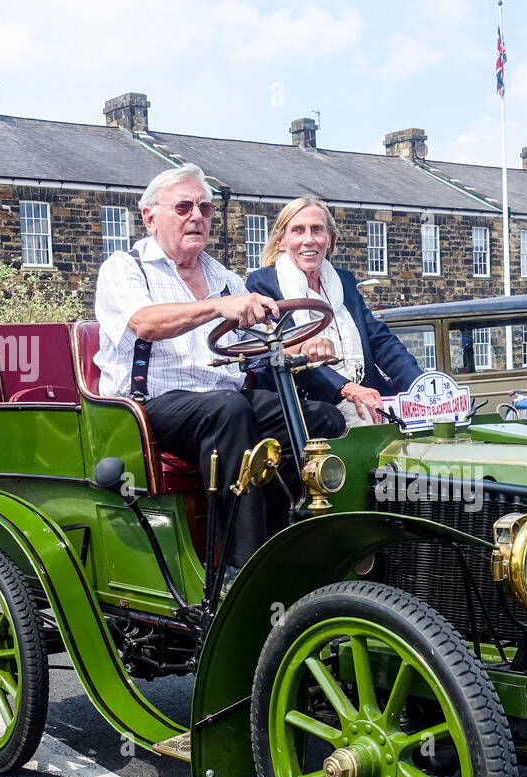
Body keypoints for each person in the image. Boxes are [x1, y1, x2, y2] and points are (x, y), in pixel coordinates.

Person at [94, 165, 345, 575]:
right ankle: (237, 567)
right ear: (150, 216)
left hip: (221, 401)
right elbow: (145, 322)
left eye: (206, 208)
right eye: (184, 206)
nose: (197, 216)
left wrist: (308, 344)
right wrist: (215, 306)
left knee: (319, 417)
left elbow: (265, 335)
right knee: (229, 410)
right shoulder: (125, 267)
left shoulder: (222, 275)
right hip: (148, 406)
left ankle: (283, 537)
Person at [246, 197, 423, 428]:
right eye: (298, 231)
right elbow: (281, 351)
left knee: (425, 417)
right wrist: (345, 388)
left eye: (317, 230)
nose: (308, 240)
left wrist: (423, 386)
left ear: (329, 239)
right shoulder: (264, 283)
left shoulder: (344, 281)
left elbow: (381, 342)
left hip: (366, 390)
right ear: (281, 241)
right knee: (368, 419)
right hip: (309, 399)